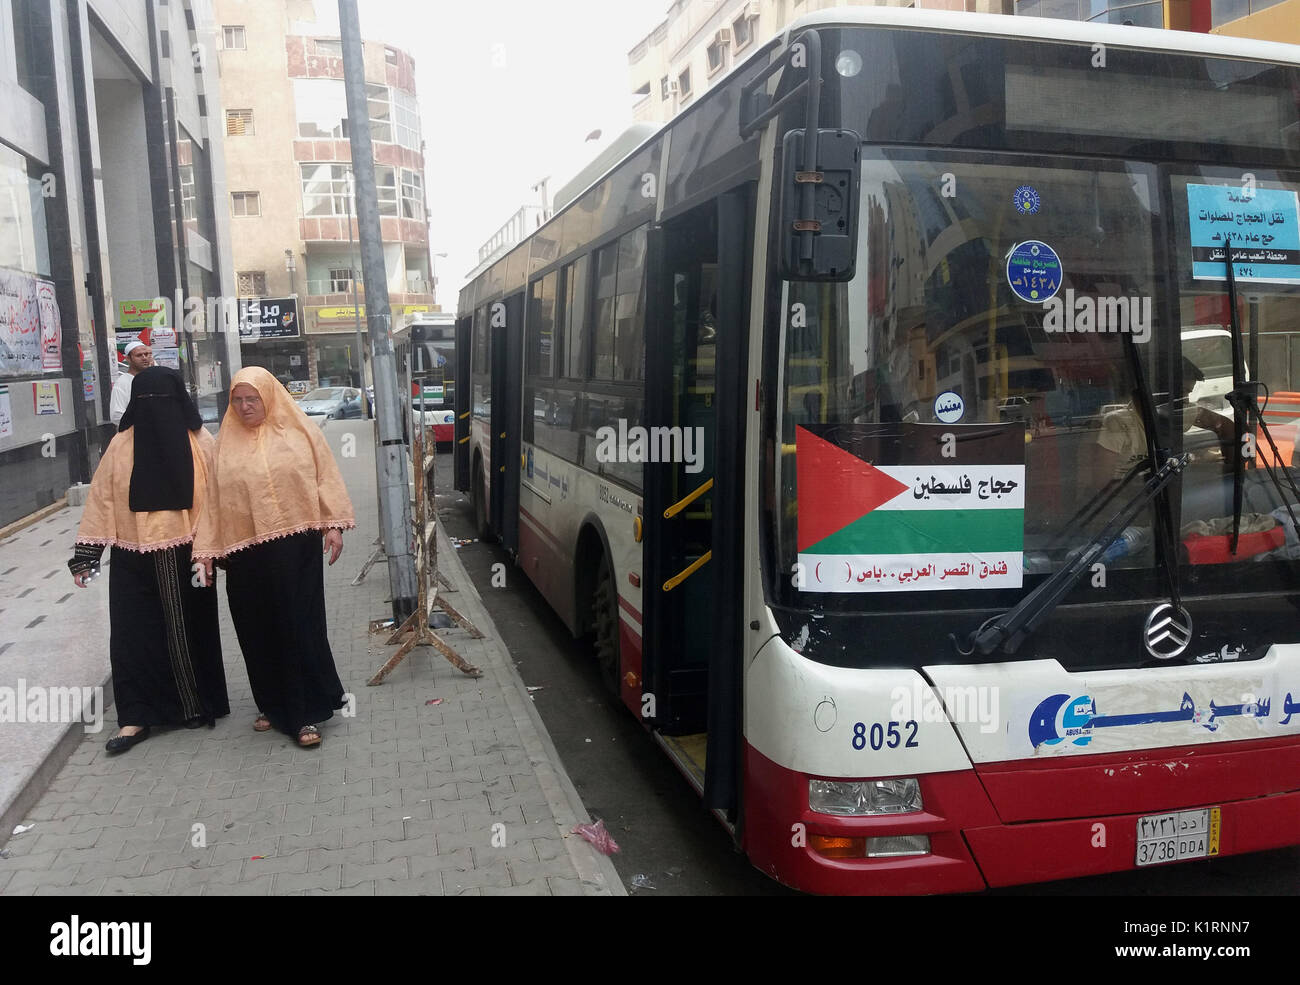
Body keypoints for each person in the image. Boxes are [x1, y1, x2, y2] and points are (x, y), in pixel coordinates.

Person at [68, 366, 229, 754]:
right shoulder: (121, 447)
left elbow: (220, 499)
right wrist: (87, 556)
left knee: (189, 630)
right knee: (132, 636)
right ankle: (136, 718)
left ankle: (195, 706)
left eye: (162, 400)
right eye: (145, 400)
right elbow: (102, 501)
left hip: (189, 555)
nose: (154, 408)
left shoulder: (201, 443)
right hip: (133, 556)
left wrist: (214, 552)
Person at [194, 366, 355, 748]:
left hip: (295, 549)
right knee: (256, 629)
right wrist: (205, 552)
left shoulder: (300, 432)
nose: (245, 406)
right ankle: (270, 703)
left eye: (252, 399)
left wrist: (332, 523)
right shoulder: (223, 446)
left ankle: (304, 716)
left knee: (297, 625)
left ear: (269, 397)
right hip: (245, 554)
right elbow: (213, 504)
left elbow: (324, 476)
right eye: (238, 400)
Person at [109, 340, 153, 427]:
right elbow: (116, 415)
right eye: (139, 355)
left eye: (146, 354)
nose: (144, 358)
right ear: (128, 359)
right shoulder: (123, 383)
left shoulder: (154, 379)